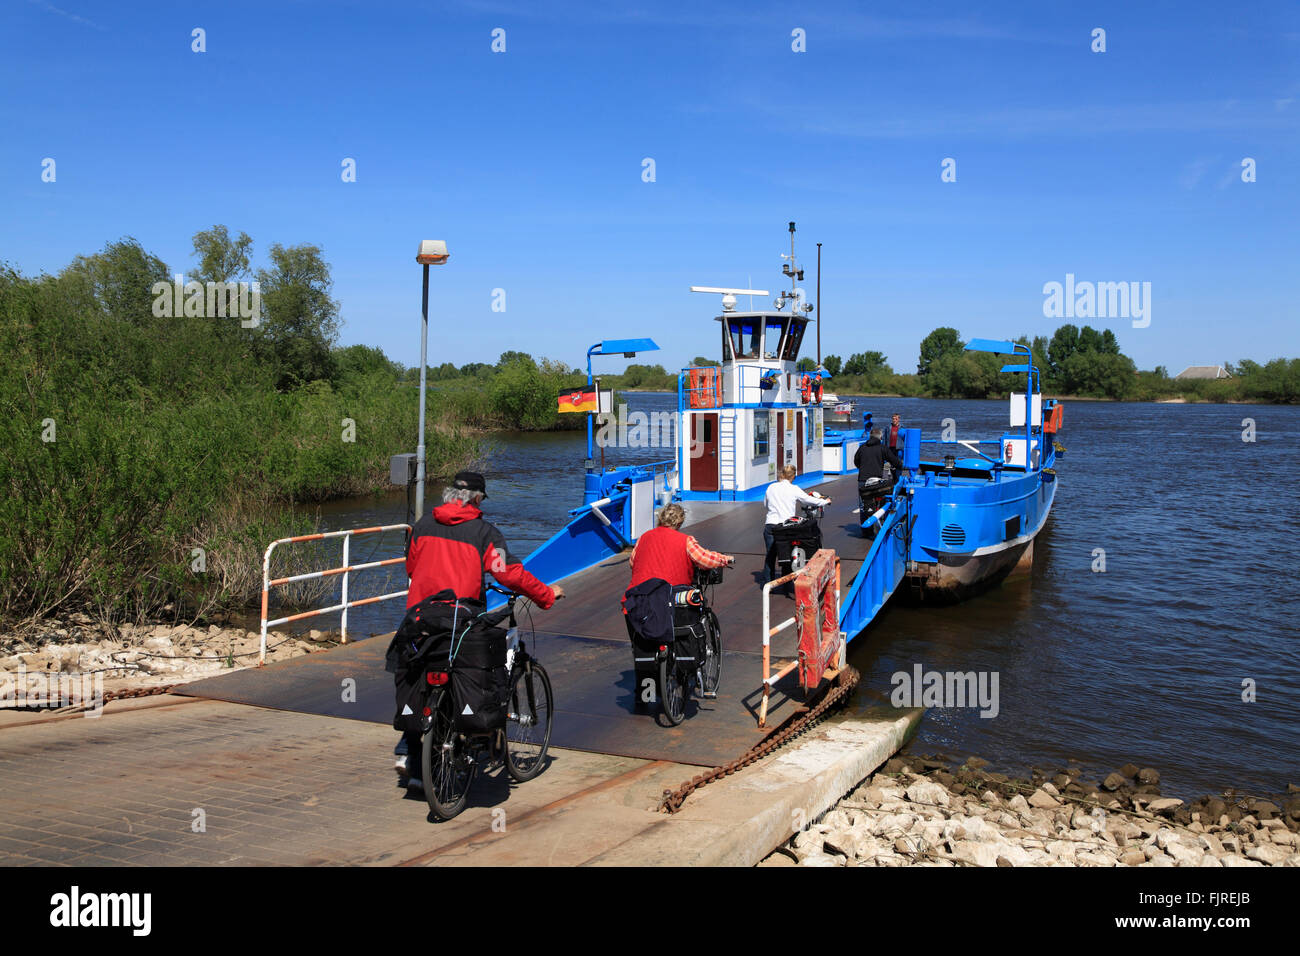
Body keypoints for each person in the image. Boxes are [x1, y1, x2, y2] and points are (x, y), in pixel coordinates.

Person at [393, 471, 563, 790]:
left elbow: (412, 567)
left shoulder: (422, 526)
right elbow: (508, 574)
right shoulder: (484, 532)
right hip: (460, 621)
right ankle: (466, 742)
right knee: (475, 674)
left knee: (420, 678)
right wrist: (545, 595)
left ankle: (410, 755)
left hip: (419, 621)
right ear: (478, 499)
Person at [762, 464, 831, 582]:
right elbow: (807, 500)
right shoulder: (794, 489)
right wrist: (824, 502)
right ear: (793, 476)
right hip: (786, 526)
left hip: (770, 525)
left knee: (770, 556)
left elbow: (766, 504)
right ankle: (787, 580)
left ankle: (768, 584)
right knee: (787, 553)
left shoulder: (771, 487)